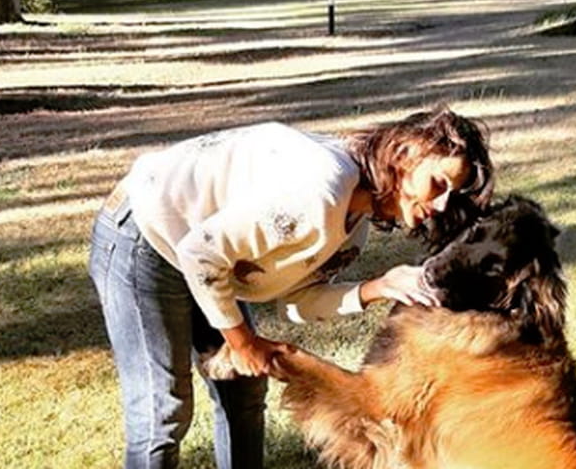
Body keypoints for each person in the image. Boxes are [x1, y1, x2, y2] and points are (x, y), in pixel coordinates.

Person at [87, 107, 494, 469]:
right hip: (144, 232)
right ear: (404, 154)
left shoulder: (352, 230)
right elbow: (199, 255)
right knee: (162, 411)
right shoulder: (321, 189)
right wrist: (242, 343)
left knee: (243, 389)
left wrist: (379, 287)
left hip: (201, 252)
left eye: (452, 194)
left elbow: (296, 303)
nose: (442, 205)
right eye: (438, 183)